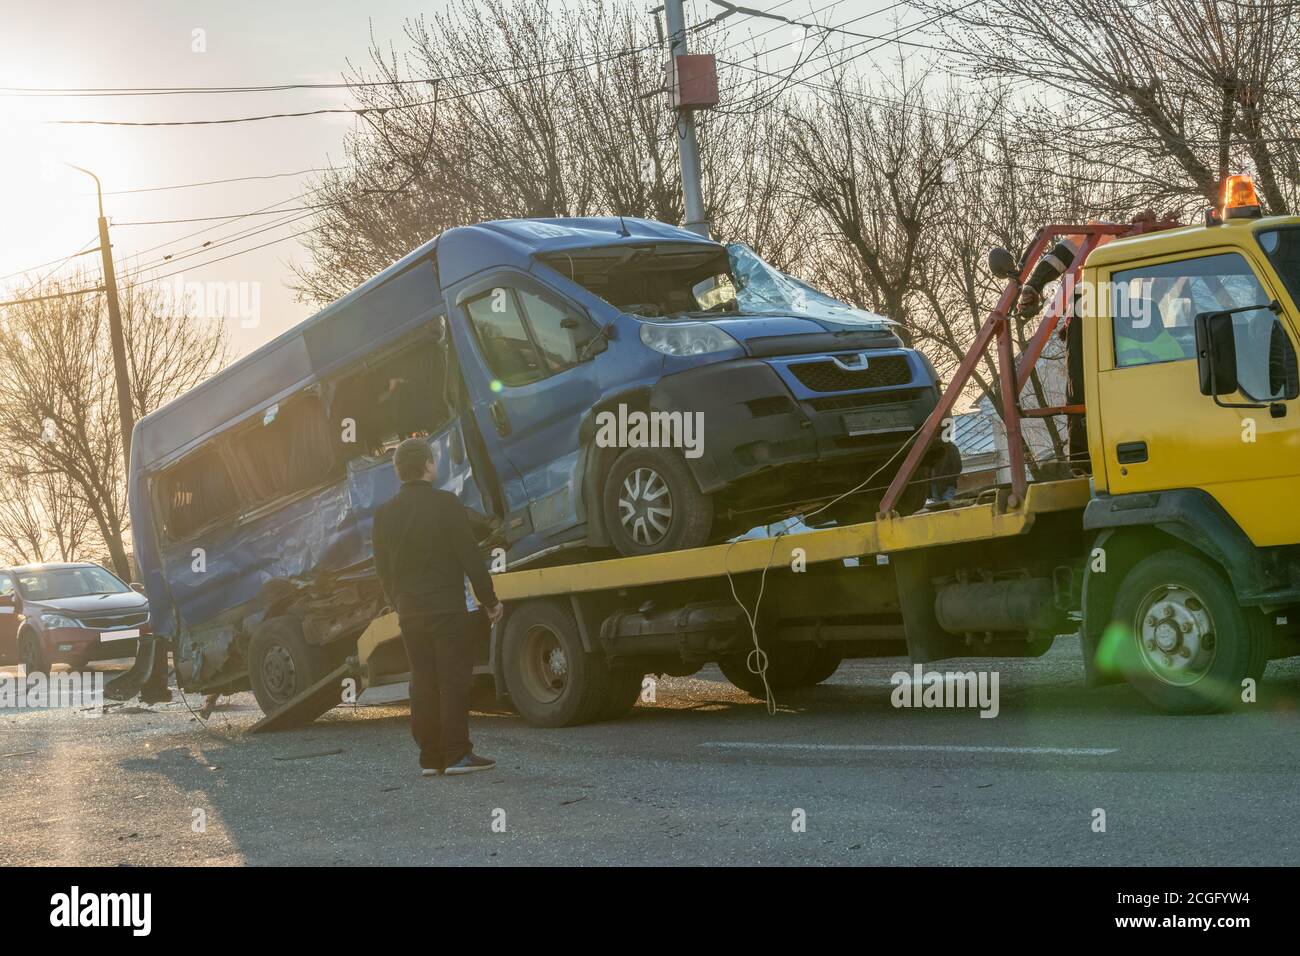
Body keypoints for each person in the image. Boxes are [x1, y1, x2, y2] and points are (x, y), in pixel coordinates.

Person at [371, 437, 504, 776]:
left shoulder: (384, 515)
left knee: (423, 681)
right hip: (446, 609)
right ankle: (457, 754)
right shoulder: (446, 504)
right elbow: (470, 558)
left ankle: (430, 758)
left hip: (410, 612)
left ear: (398, 472)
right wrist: (490, 601)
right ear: (428, 465)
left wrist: (396, 600)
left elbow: (383, 570)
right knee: (453, 681)